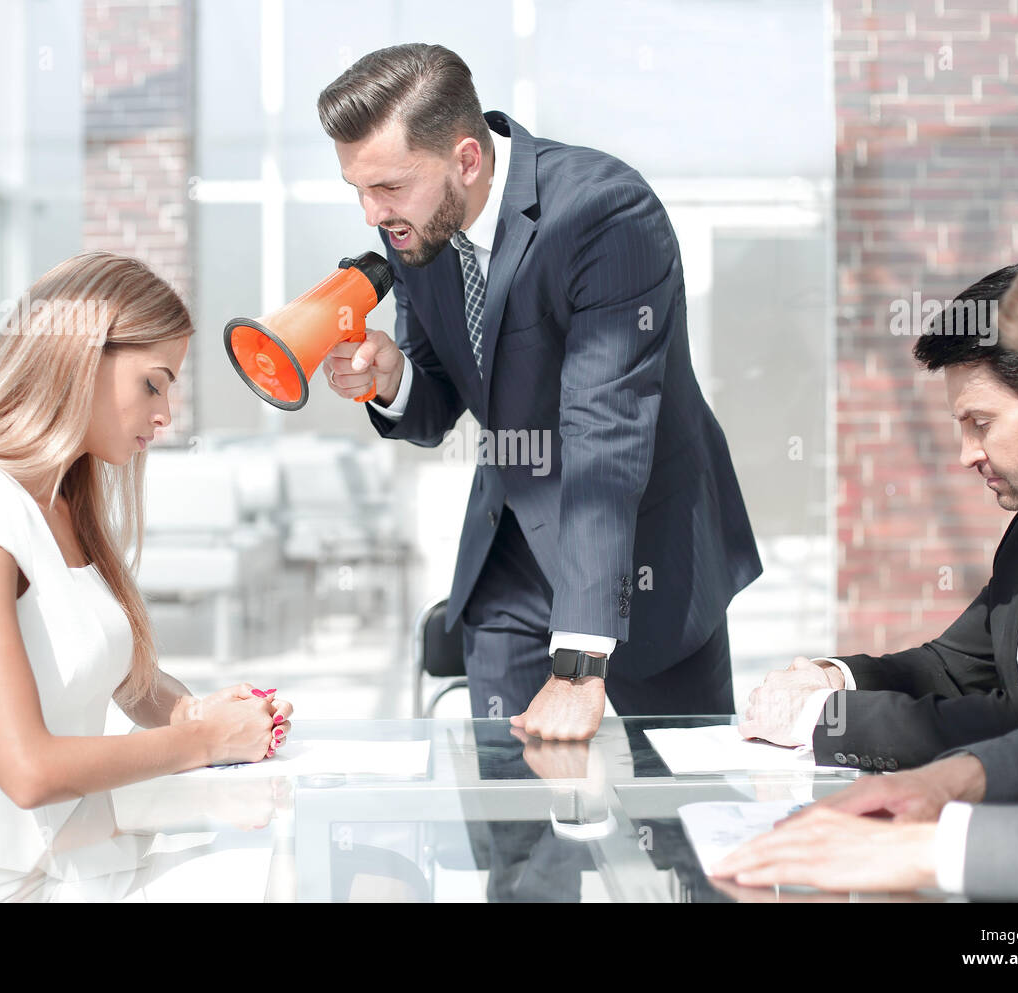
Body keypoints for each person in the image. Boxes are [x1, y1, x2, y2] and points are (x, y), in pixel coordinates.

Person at [315, 43, 762, 740]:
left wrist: (580, 663)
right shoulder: (417, 232)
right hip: (509, 560)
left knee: (687, 792)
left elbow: (604, 434)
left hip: (644, 553)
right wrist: (395, 379)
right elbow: (441, 401)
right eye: (359, 189)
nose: (373, 214)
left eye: (390, 187)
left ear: (467, 160)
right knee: (512, 799)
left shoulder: (604, 212)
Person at [712, 194, 1018, 901]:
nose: (966, 454)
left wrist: (837, 732)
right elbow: (966, 669)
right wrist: (842, 685)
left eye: (981, 422)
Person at [0, 252, 293, 898]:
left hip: (94, 860)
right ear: (81, 358)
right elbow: (28, 770)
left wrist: (194, 710)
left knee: (349, 872)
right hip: (23, 888)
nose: (165, 415)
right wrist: (205, 739)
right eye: (152, 384)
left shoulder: (64, 502)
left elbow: (117, 676)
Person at [738, 264, 1018, 768]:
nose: (967, 454)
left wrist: (821, 718)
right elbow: (956, 667)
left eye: (982, 423)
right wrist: (833, 678)